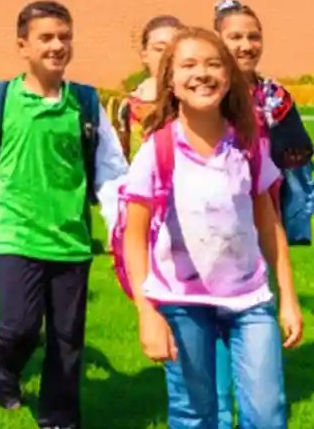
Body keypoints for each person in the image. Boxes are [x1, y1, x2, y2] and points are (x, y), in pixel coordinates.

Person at [0, 0, 128, 429]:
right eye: (46, 37)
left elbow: (111, 170)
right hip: (17, 235)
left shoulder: (85, 104)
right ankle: (5, 370)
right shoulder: (1, 100)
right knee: (19, 326)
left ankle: (59, 419)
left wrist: (119, 224)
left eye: (64, 37)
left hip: (71, 240)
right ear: (23, 46)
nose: (57, 46)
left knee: (68, 341)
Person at [121, 26, 303, 428]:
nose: (202, 74)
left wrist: (287, 297)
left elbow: (269, 225)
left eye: (213, 64)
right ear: (170, 80)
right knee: (195, 415)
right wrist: (147, 312)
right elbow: (132, 236)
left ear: (228, 77)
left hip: (250, 300)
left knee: (269, 413)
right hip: (182, 301)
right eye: (188, 65)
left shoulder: (247, 146)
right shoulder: (158, 150)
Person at [214, 0, 314, 241]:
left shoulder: (275, 96)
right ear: (217, 42)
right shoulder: (206, 94)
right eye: (235, 37)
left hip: (271, 207)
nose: (247, 46)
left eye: (254, 37)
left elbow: (297, 164)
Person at [118, 15, 183, 159]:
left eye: (175, 49)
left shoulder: (195, 103)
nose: (167, 56)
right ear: (144, 55)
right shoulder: (128, 106)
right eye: (159, 49)